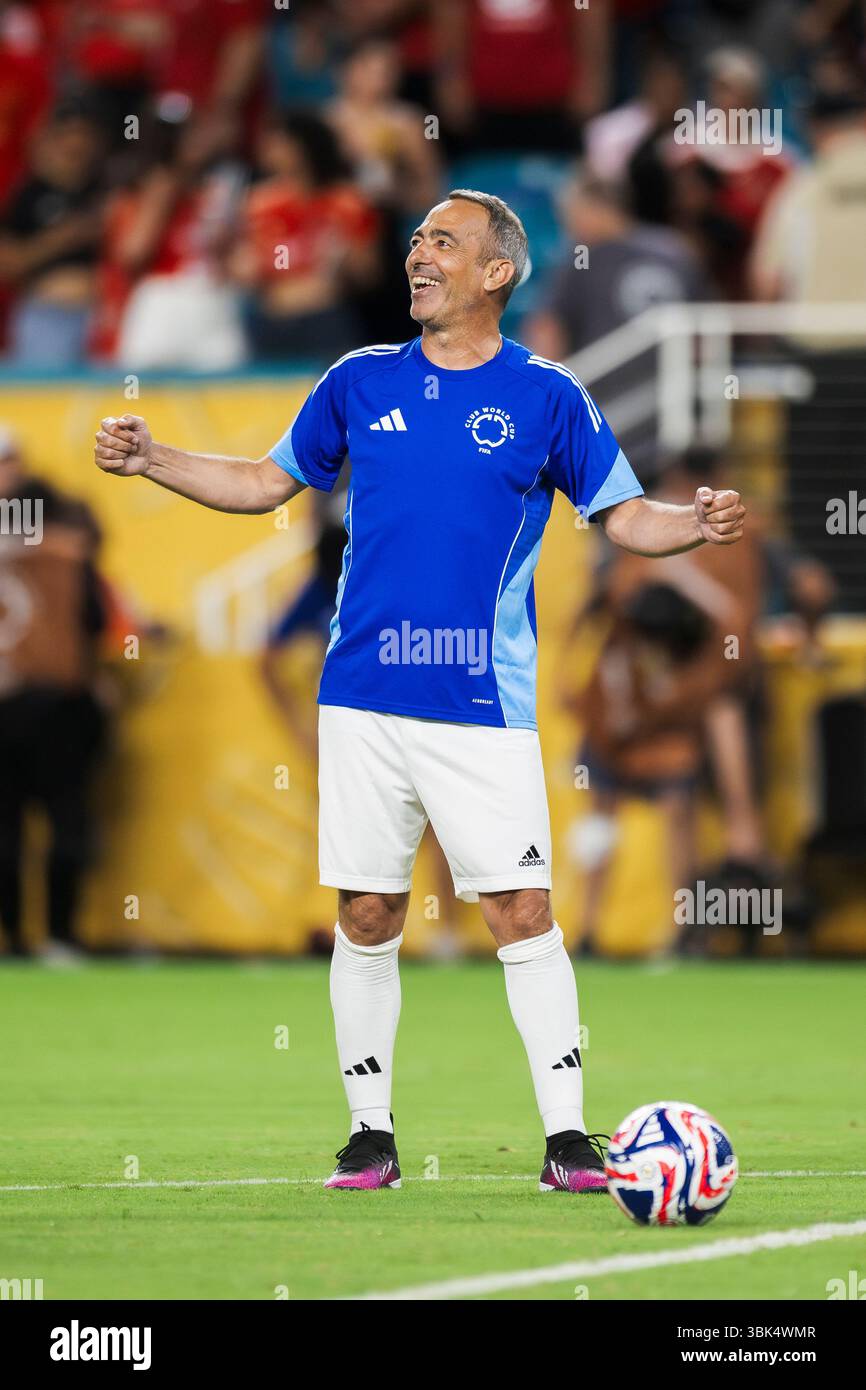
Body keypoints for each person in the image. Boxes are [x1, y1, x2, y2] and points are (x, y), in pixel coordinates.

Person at [94, 189, 745, 1194]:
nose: (417, 254)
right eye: (414, 240)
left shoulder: (546, 396)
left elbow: (621, 518)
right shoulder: (357, 380)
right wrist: (153, 460)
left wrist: (691, 520)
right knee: (364, 911)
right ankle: (368, 1134)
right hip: (358, 694)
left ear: (497, 272)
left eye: (443, 240)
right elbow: (265, 483)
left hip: (481, 704)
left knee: (521, 909)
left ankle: (568, 1140)